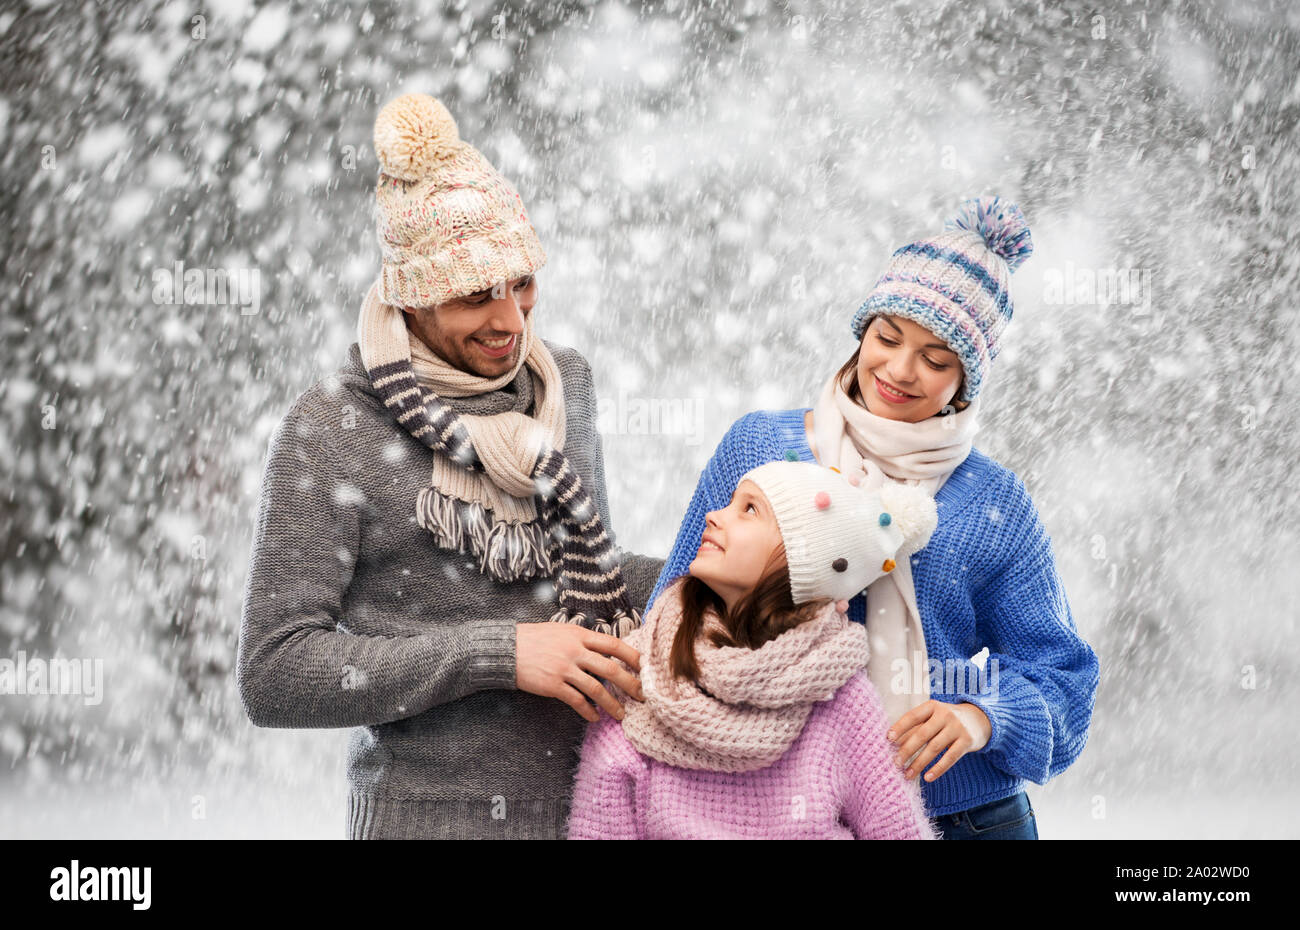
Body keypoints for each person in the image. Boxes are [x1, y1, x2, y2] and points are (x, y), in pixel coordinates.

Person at [237, 92, 663, 839]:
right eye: (474, 296)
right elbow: (275, 674)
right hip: (424, 822)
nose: (511, 322)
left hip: (595, 811)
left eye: (522, 282)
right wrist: (499, 654)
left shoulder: (563, 386)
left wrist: (731, 569)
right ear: (412, 300)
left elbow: (581, 579)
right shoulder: (332, 426)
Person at [646, 197, 1100, 839]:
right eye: (887, 338)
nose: (899, 369)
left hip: (965, 818)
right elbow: (673, 612)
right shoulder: (761, 449)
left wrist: (981, 718)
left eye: (937, 359)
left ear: (966, 384)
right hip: (787, 810)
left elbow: (1063, 678)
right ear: (863, 333)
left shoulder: (995, 503)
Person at [568, 461, 942, 839]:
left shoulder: (842, 700)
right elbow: (598, 830)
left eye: (749, 509)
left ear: (802, 557)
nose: (713, 516)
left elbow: (899, 831)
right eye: (730, 503)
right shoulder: (642, 673)